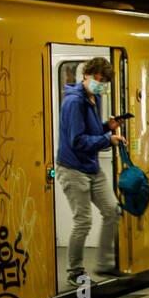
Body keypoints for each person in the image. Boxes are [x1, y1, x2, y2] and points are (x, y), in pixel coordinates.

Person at [57, 56, 127, 284]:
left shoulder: (93, 97)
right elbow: (77, 140)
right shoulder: (74, 102)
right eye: (98, 79)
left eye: (104, 81)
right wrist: (109, 139)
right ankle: (74, 272)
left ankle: (105, 265)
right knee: (83, 220)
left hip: (91, 166)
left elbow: (92, 130)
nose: (100, 84)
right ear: (86, 74)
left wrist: (108, 127)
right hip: (72, 168)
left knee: (112, 210)